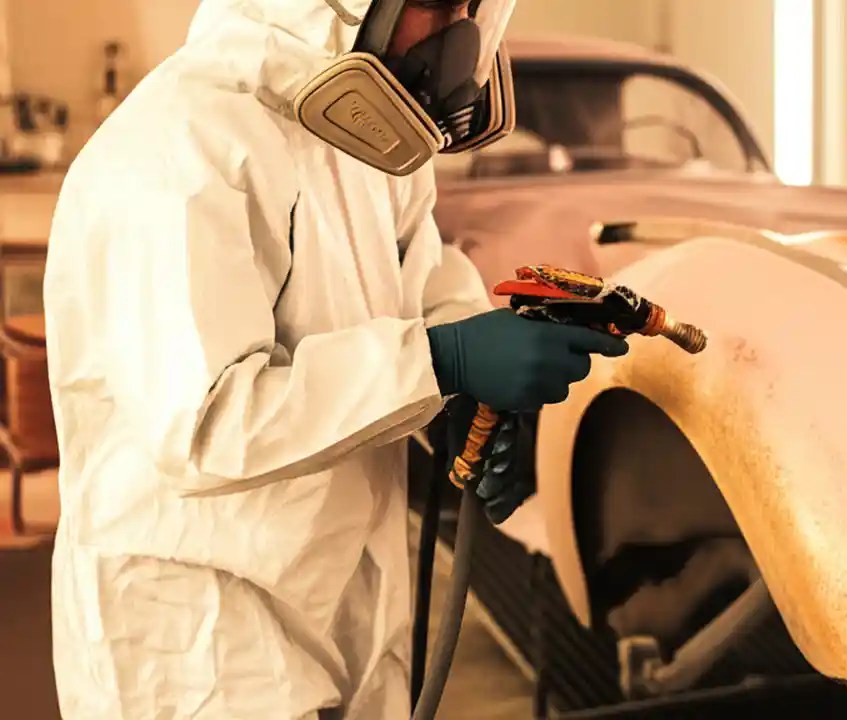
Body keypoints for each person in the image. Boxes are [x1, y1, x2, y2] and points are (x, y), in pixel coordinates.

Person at [43, 1, 623, 717]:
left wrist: (457, 404)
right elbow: (210, 423)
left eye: (473, 7)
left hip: (339, 599)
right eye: (438, 5)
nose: (461, 36)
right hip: (196, 637)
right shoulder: (178, 148)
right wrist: (440, 364)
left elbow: (420, 286)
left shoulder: (370, 142)